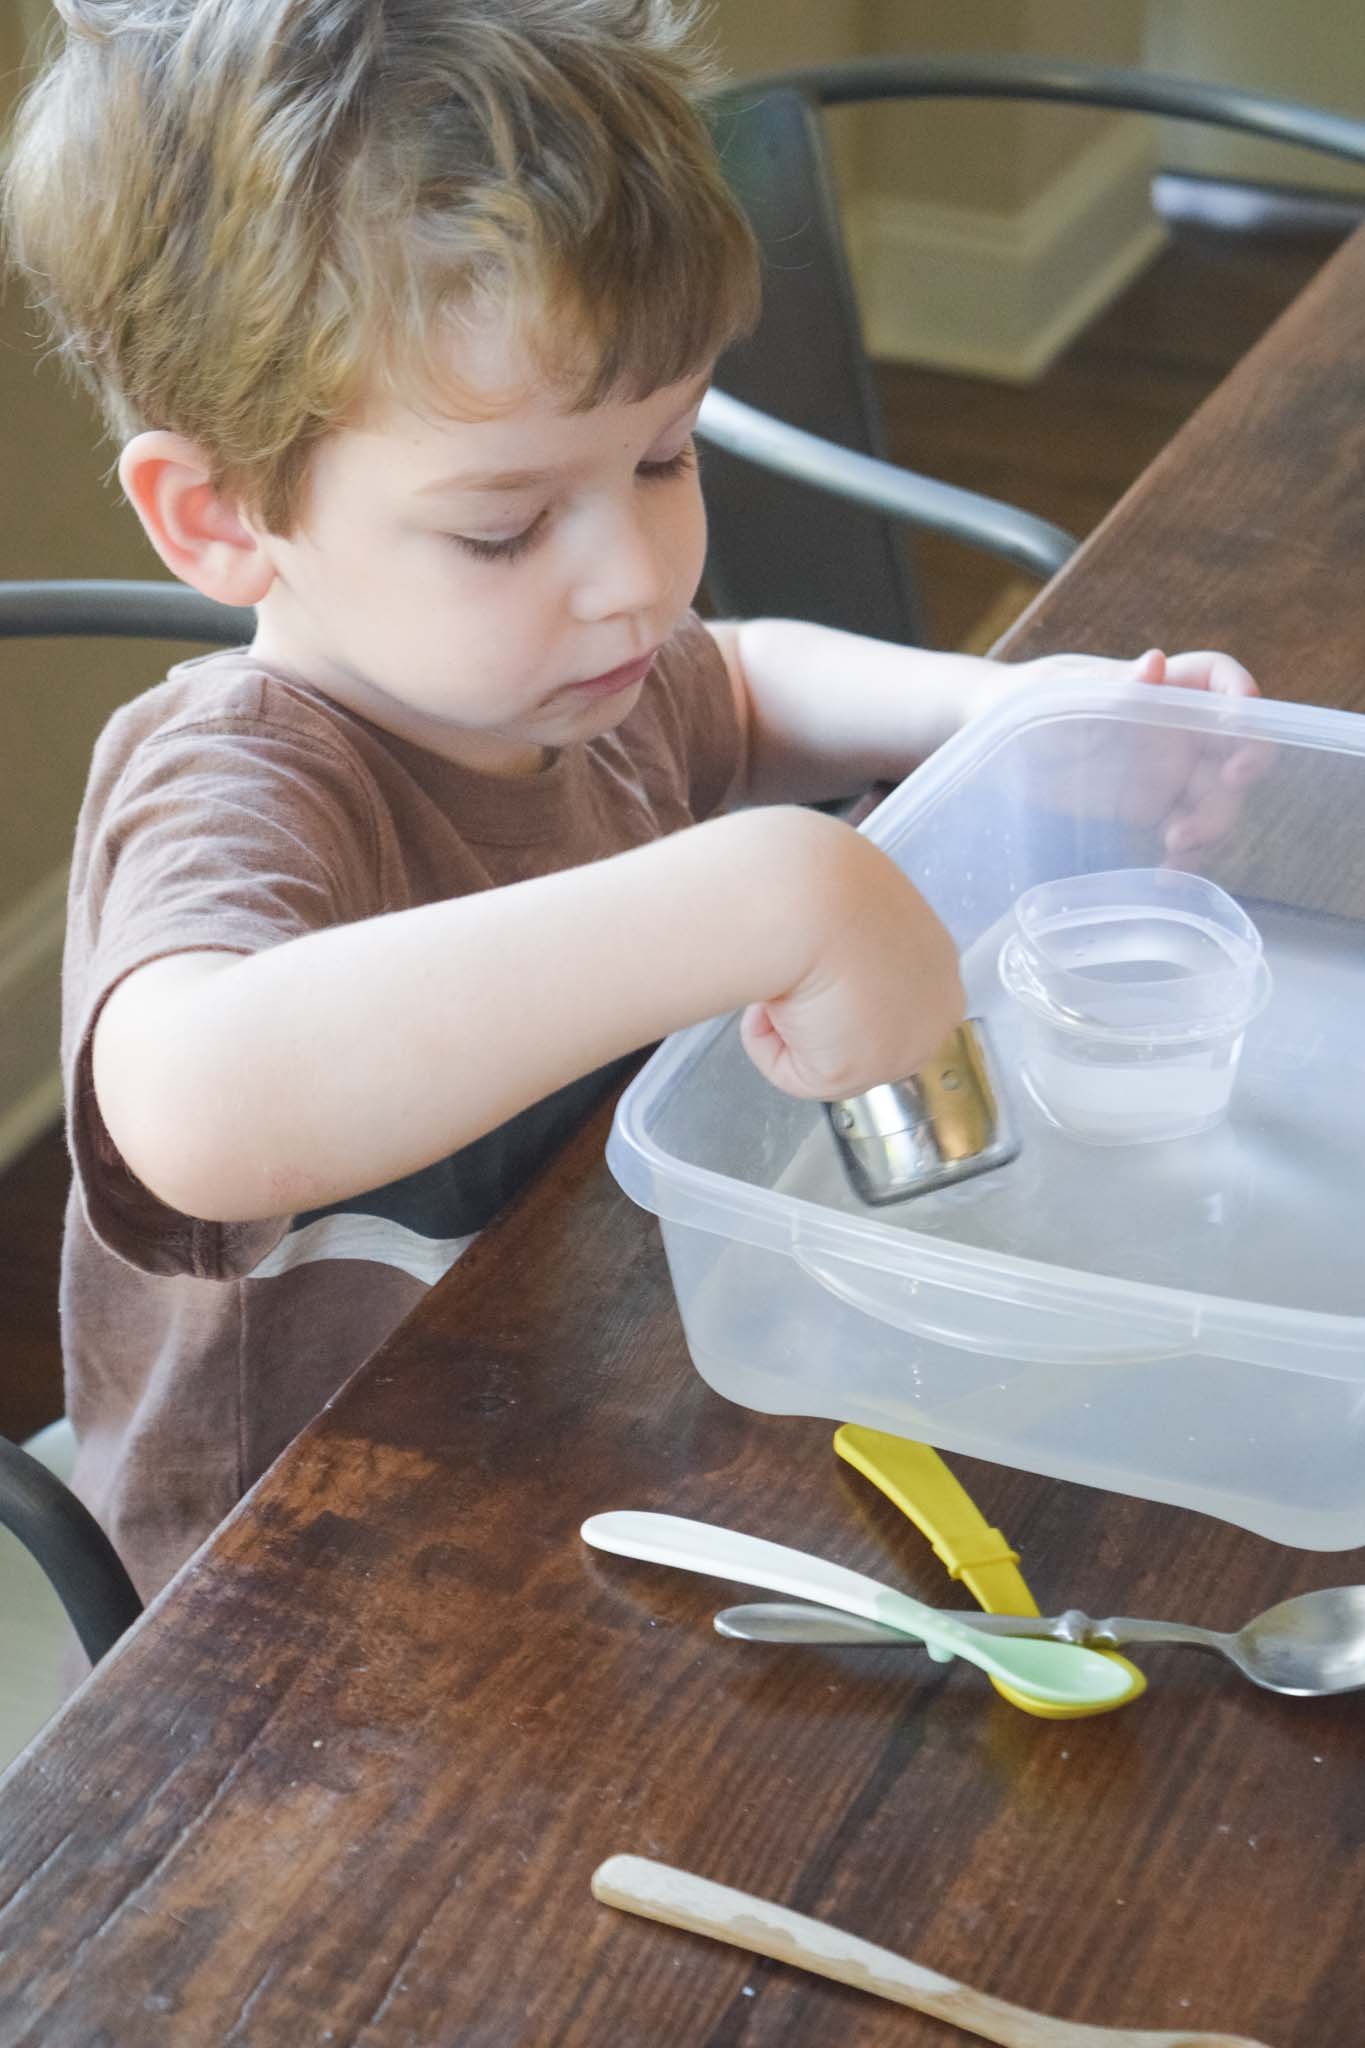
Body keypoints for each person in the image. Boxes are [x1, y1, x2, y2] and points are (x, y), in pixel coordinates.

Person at [2, 0, 1257, 1611]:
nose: (634, 581)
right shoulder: (239, 779)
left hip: (589, 1437)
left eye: (664, 458)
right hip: (298, 1602)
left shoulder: (553, 677)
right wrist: (774, 889)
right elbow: (194, 1106)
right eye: (506, 527)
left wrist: (1009, 719)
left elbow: (738, 686)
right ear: (224, 518)